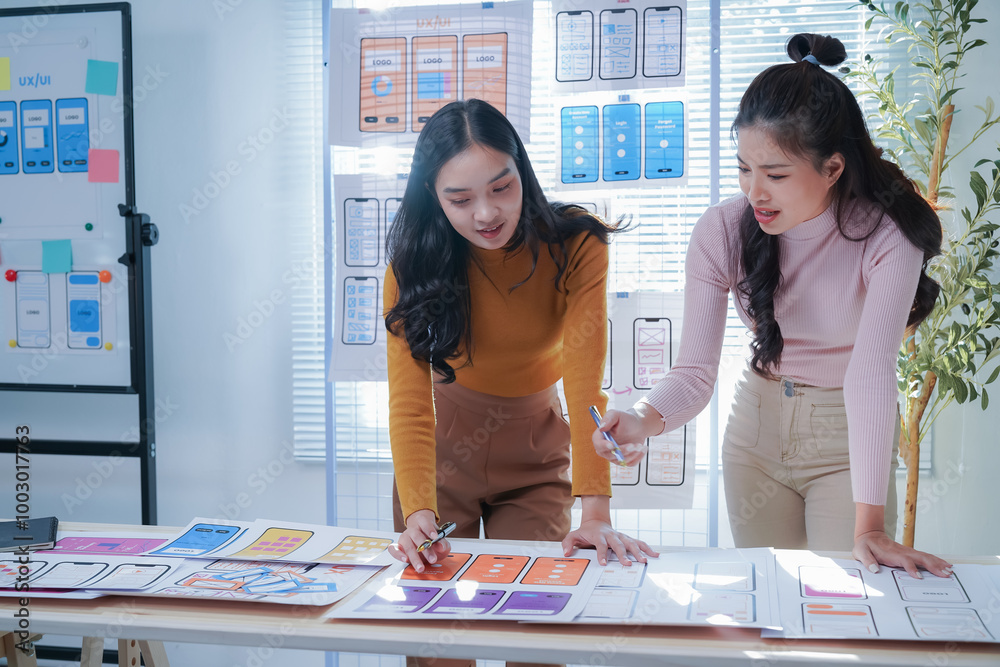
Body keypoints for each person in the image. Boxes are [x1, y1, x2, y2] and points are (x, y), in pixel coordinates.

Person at [592, 33, 952, 579]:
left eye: (776, 175)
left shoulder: (886, 235)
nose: (754, 192)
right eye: (744, 169)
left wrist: (871, 526)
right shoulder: (720, 231)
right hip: (754, 438)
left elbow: (871, 372)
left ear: (833, 168)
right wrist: (641, 418)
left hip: (847, 440)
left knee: (851, 602)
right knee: (768, 603)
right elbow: (694, 372)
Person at [383, 100, 656, 600]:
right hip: (442, 461)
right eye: (460, 199)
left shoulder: (577, 244)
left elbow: (583, 379)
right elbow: (409, 401)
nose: (486, 214)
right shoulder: (411, 269)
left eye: (502, 188)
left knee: (534, 608)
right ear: (433, 196)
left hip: (537, 457)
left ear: (522, 173)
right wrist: (418, 508)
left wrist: (596, 513)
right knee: (433, 613)